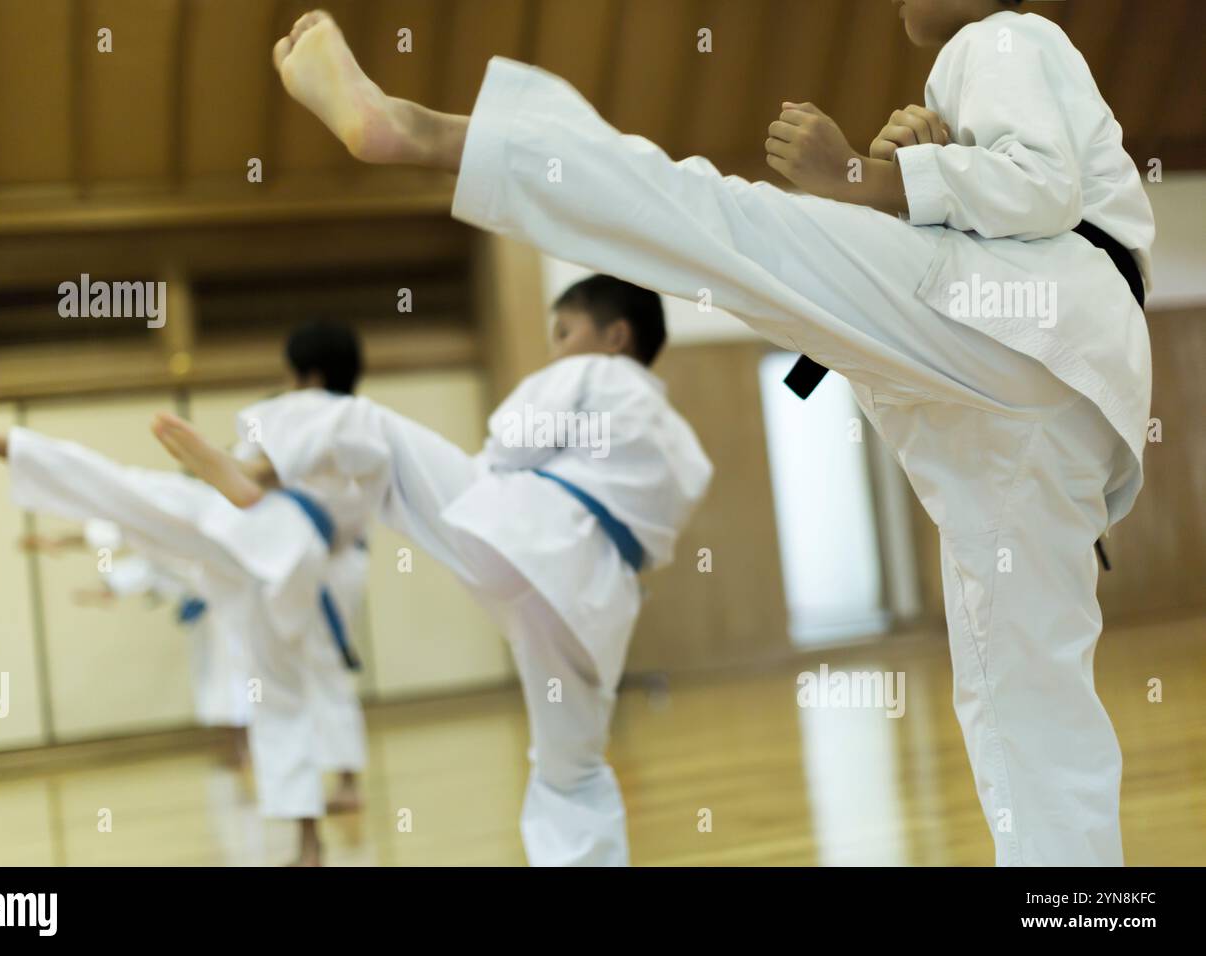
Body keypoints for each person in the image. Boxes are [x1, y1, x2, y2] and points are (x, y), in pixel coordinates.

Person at [268, 7, 1153, 865]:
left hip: (1030, 320)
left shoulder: (1002, 34)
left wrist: (859, 177)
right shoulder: (985, 65)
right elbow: (1020, 193)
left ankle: (425, 133)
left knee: (720, 222)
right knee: (1027, 695)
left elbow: (1041, 187)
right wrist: (913, 177)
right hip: (1066, 394)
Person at [151, 275, 713, 866]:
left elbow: (510, 447)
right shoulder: (682, 441)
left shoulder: (594, 371)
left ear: (615, 336)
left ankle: (258, 470)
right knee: (573, 769)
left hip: (528, 536)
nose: (557, 350)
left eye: (564, 333)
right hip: (597, 600)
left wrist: (465, 483)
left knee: (370, 428)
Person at [0, 319, 372, 866]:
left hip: (257, 521)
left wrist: (246, 470)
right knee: (278, 690)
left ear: (307, 372)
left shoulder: (308, 412)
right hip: (289, 558)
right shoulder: (366, 426)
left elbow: (287, 466)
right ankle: (308, 847)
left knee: (126, 490)